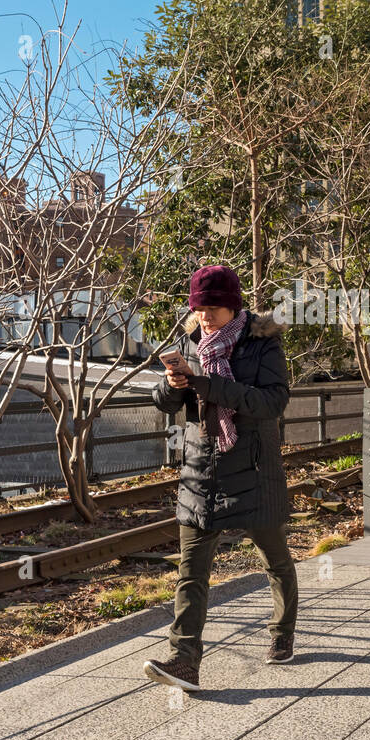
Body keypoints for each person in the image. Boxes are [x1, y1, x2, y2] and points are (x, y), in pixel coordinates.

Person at [143, 264, 297, 692]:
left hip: (253, 468)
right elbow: (165, 401)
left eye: (212, 309)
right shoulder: (189, 342)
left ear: (233, 306)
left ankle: (282, 633)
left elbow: (273, 402)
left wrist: (209, 386)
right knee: (192, 571)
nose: (204, 317)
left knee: (275, 559)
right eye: (198, 309)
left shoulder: (262, 343)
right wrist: (174, 385)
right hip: (201, 470)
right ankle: (184, 660)